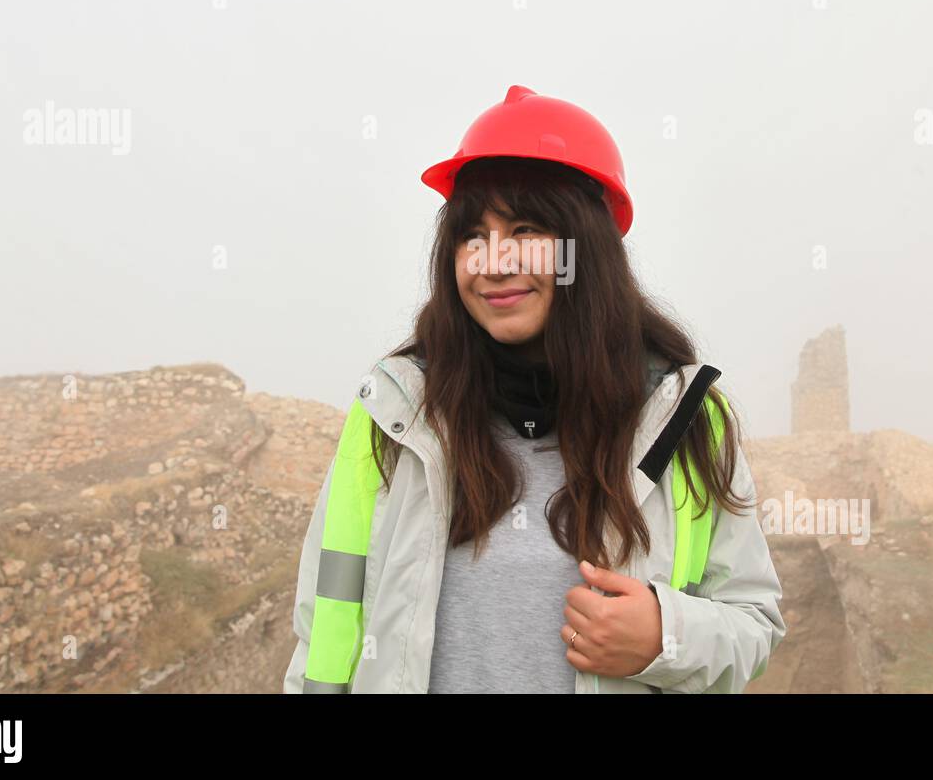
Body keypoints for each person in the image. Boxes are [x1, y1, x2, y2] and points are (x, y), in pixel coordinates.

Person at [283, 84, 786, 693]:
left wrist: (664, 635)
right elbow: (327, 626)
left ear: (587, 249)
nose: (492, 262)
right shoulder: (395, 410)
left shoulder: (685, 418)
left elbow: (753, 623)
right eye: (472, 236)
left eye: (525, 230)